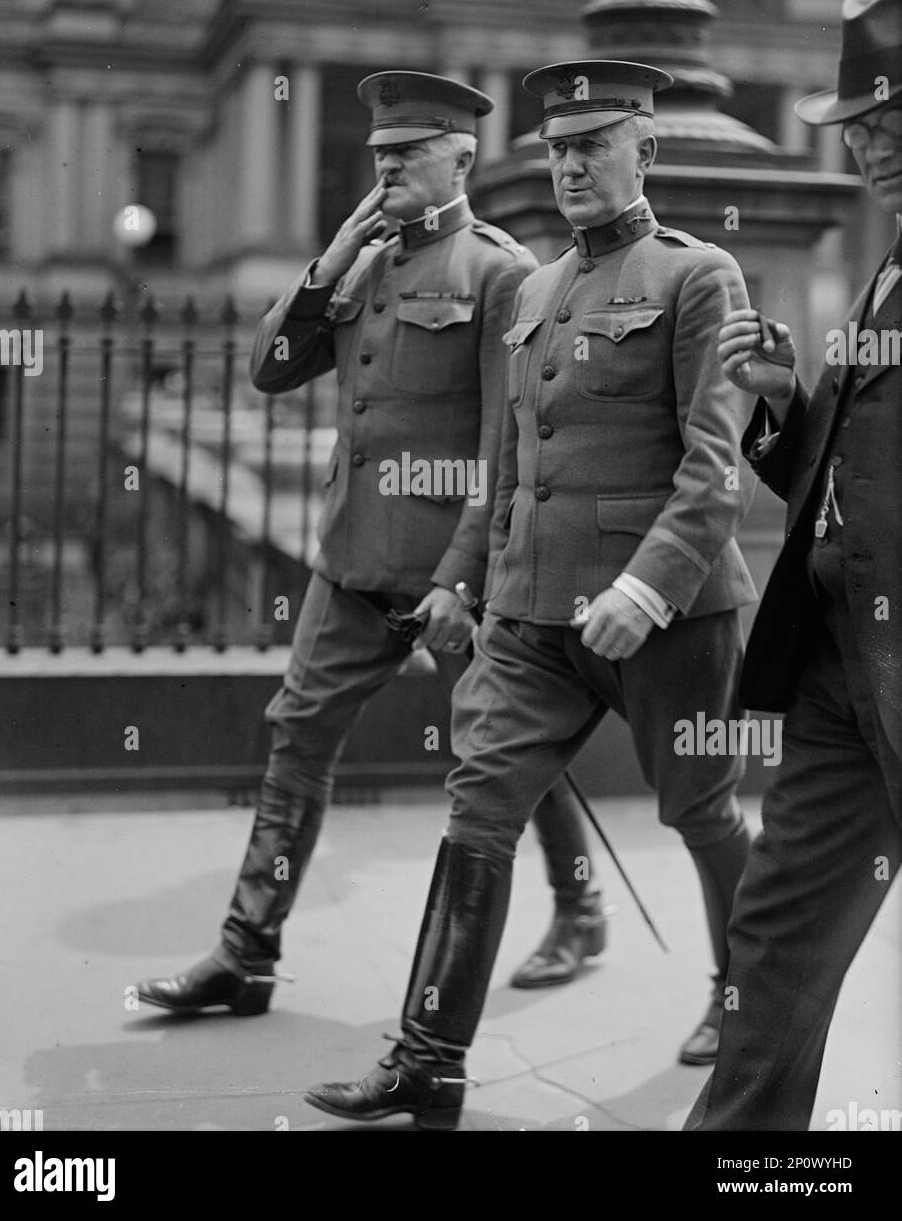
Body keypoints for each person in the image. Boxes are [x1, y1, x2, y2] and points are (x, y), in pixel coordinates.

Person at [305, 58, 760, 1130]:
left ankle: (745, 1007)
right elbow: (504, 466)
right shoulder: (534, 288)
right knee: (476, 809)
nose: (564, 165)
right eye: (553, 147)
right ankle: (426, 1064)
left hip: (667, 623)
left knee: (700, 811)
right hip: (528, 616)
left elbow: (714, 466)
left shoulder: (699, 277)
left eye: (588, 145)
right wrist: (462, 580)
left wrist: (646, 592)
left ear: (642, 152)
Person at [134, 71, 609, 1021]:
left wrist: (460, 578)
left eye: (406, 152)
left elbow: (503, 445)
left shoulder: (501, 271)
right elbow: (272, 372)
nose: (386, 165)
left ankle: (580, 908)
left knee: (515, 754)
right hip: (351, 560)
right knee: (296, 733)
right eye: (380, 153)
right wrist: (326, 261)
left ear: (461, 157)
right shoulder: (363, 261)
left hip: (451, 577)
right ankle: (246, 949)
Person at [685, 0, 902, 1132]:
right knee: (773, 939)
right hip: (840, 673)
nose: (872, 145)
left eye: (893, 117)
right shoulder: (885, 270)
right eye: (859, 126)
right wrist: (782, 410)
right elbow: (857, 470)